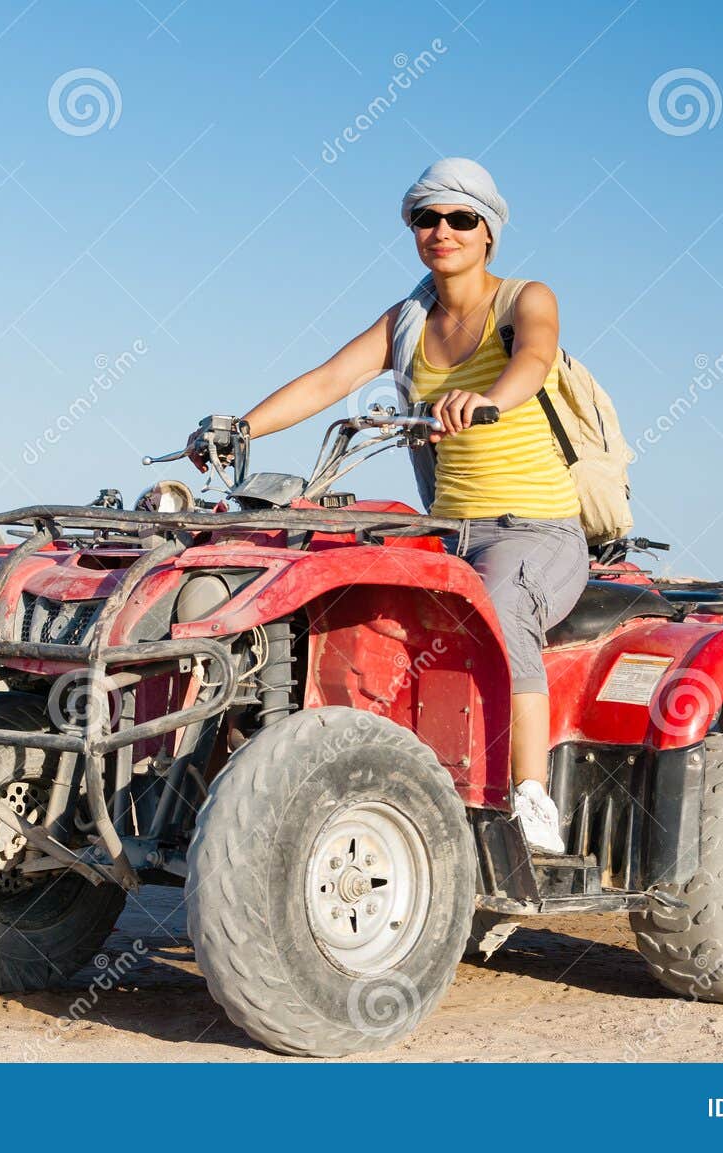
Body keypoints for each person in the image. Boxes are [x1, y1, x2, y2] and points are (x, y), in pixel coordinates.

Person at [192, 157, 587, 852]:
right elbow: (328, 379)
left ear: (488, 231)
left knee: (499, 604)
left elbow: (535, 357)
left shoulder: (525, 298)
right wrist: (242, 425)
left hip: (536, 531)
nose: (444, 230)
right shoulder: (408, 319)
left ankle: (529, 794)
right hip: (448, 531)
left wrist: (484, 398)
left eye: (461, 218)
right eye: (427, 217)